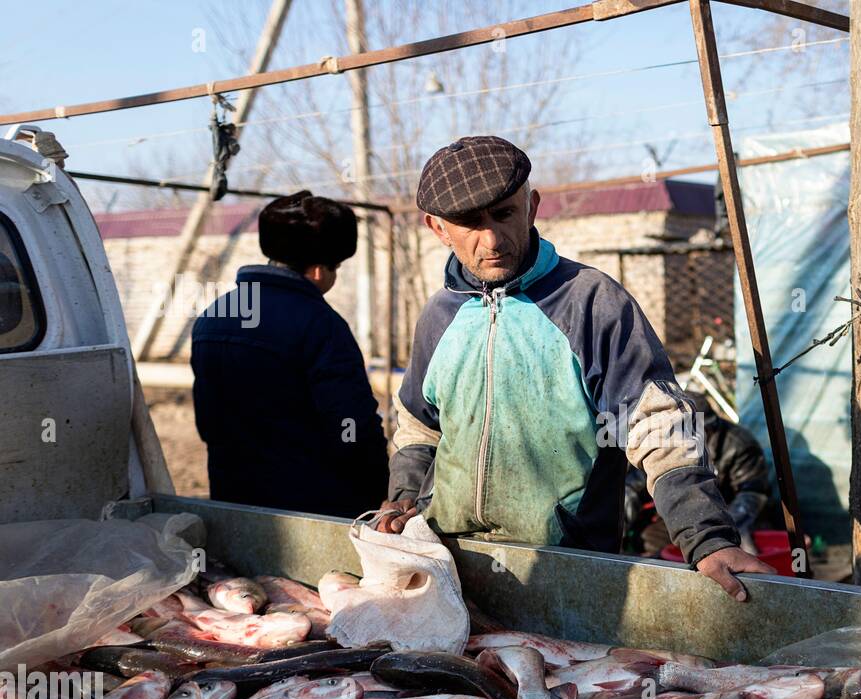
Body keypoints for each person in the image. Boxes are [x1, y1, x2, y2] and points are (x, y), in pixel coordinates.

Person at [378, 135, 772, 600]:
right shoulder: (439, 315)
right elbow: (420, 427)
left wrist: (705, 537)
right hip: (451, 565)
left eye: (504, 214)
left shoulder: (591, 301)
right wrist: (405, 498)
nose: (492, 239)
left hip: (570, 568)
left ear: (532, 206)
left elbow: (656, 423)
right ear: (438, 228)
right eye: (468, 223)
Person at [191, 190, 388, 518]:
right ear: (317, 271)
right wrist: (377, 490)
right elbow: (351, 426)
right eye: (336, 267)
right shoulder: (322, 325)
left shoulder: (213, 316)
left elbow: (207, 423)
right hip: (313, 510)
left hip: (232, 501)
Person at [625, 390, 770, 557]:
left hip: (731, 514)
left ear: (710, 427)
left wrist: (718, 533)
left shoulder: (739, 444)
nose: (688, 437)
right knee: (650, 541)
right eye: (682, 432)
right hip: (682, 513)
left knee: (744, 548)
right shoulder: (664, 444)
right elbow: (633, 488)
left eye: (694, 431)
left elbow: (752, 493)